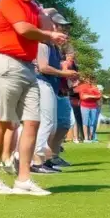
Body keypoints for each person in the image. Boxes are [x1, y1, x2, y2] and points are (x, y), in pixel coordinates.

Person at [0, 0, 66, 196]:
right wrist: (49, 35)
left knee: (32, 121)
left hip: (28, 67)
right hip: (7, 62)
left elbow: (46, 28)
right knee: (3, 120)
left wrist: (42, 13)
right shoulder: (9, 0)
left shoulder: (32, 6)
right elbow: (23, 30)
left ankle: (23, 179)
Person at [32, 12, 77, 172]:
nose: (64, 30)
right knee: (46, 123)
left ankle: (43, 159)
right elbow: (43, 67)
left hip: (52, 85)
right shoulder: (43, 44)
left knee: (53, 124)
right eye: (60, 26)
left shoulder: (53, 47)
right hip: (42, 83)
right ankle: (37, 161)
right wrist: (64, 73)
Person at [76, 76, 103, 143]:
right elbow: (83, 97)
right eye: (87, 79)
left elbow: (99, 96)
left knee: (93, 122)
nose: (89, 81)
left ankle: (91, 137)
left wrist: (89, 96)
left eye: (90, 79)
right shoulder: (82, 87)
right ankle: (86, 138)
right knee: (85, 122)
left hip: (93, 106)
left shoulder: (94, 87)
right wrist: (93, 96)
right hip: (84, 106)